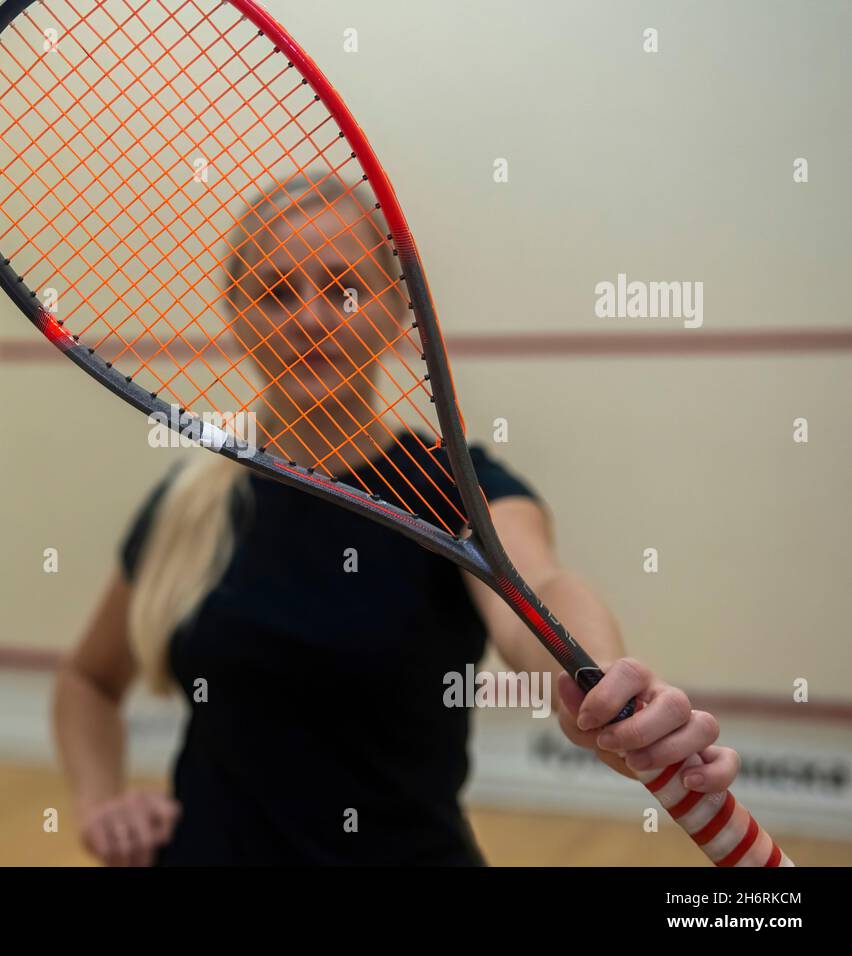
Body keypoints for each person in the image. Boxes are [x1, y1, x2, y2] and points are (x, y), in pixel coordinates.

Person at [51, 173, 738, 865]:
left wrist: (607, 687)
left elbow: (543, 588)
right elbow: (88, 681)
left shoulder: (455, 488)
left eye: (344, 289)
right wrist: (101, 799)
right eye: (276, 292)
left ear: (396, 308)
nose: (311, 318)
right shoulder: (191, 498)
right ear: (236, 312)